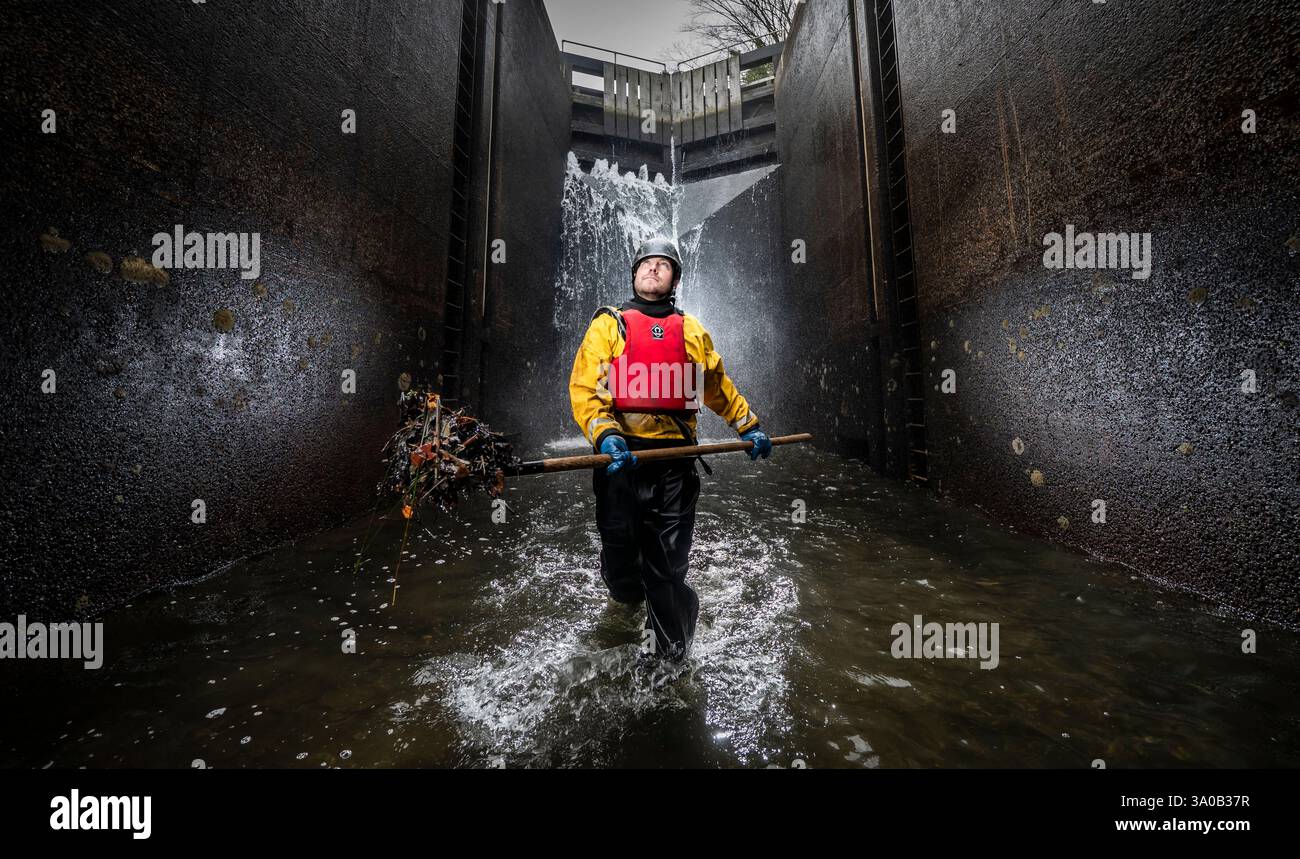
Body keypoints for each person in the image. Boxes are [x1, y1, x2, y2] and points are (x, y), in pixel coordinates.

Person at [568, 235, 772, 665]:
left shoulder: (693, 331)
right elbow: (587, 387)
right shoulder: (609, 324)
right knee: (621, 561)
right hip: (619, 462)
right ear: (635, 273)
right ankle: (627, 593)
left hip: (674, 467)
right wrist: (605, 433)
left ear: (675, 278)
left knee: (665, 565)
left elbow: (716, 386)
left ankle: (670, 656)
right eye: (647, 264)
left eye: (663, 264)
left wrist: (747, 424)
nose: (653, 269)